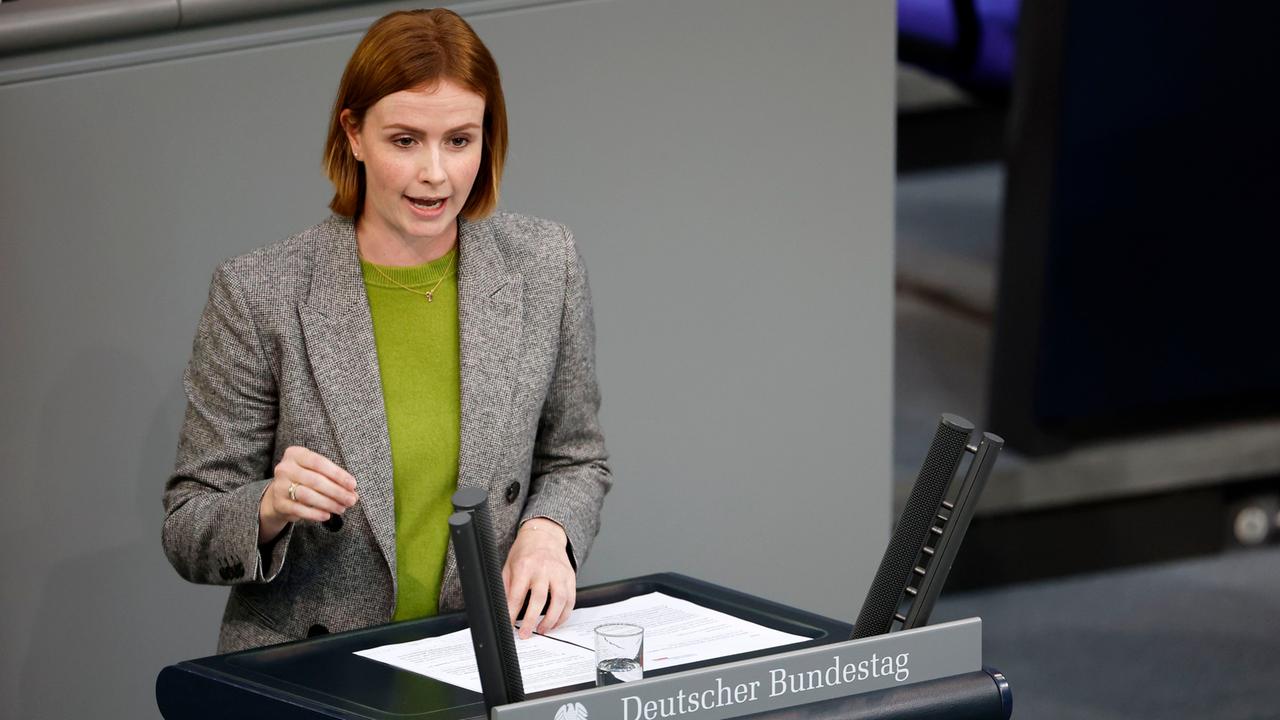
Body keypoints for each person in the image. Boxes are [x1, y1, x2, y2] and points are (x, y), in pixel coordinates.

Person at [162, 8, 611, 653]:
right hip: (315, 674)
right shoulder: (260, 291)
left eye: (460, 140)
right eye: (406, 141)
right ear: (354, 133)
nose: (437, 173)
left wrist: (547, 531)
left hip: (478, 660)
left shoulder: (545, 264)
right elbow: (188, 525)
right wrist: (268, 506)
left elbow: (576, 457)